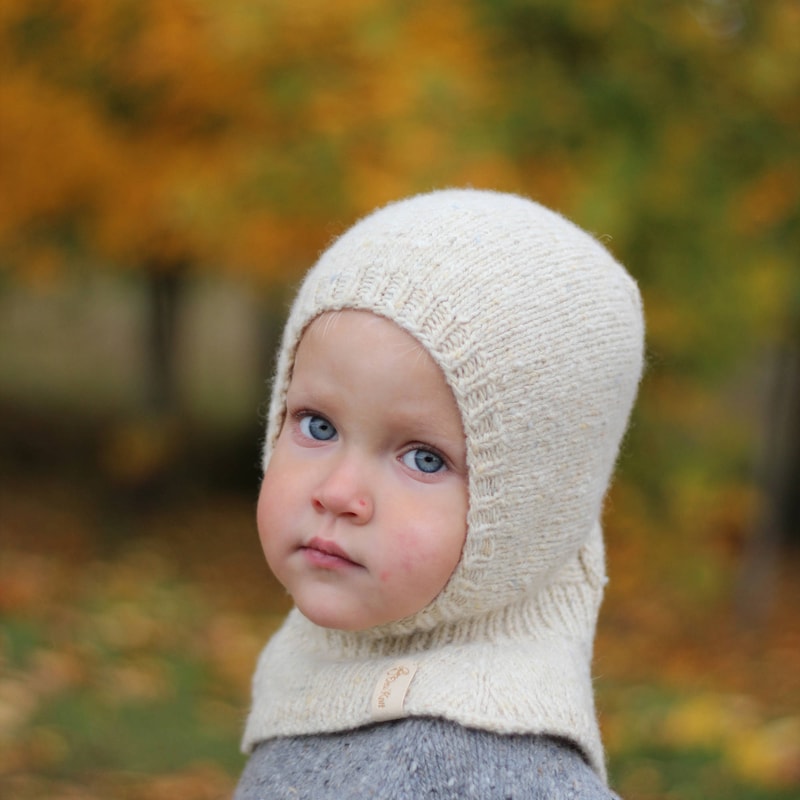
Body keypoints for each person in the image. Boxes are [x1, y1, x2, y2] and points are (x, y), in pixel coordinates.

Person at [235, 189, 644, 799]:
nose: (339, 492)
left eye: (424, 459)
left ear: (530, 514)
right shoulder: (317, 678)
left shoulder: (473, 772)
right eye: (318, 425)